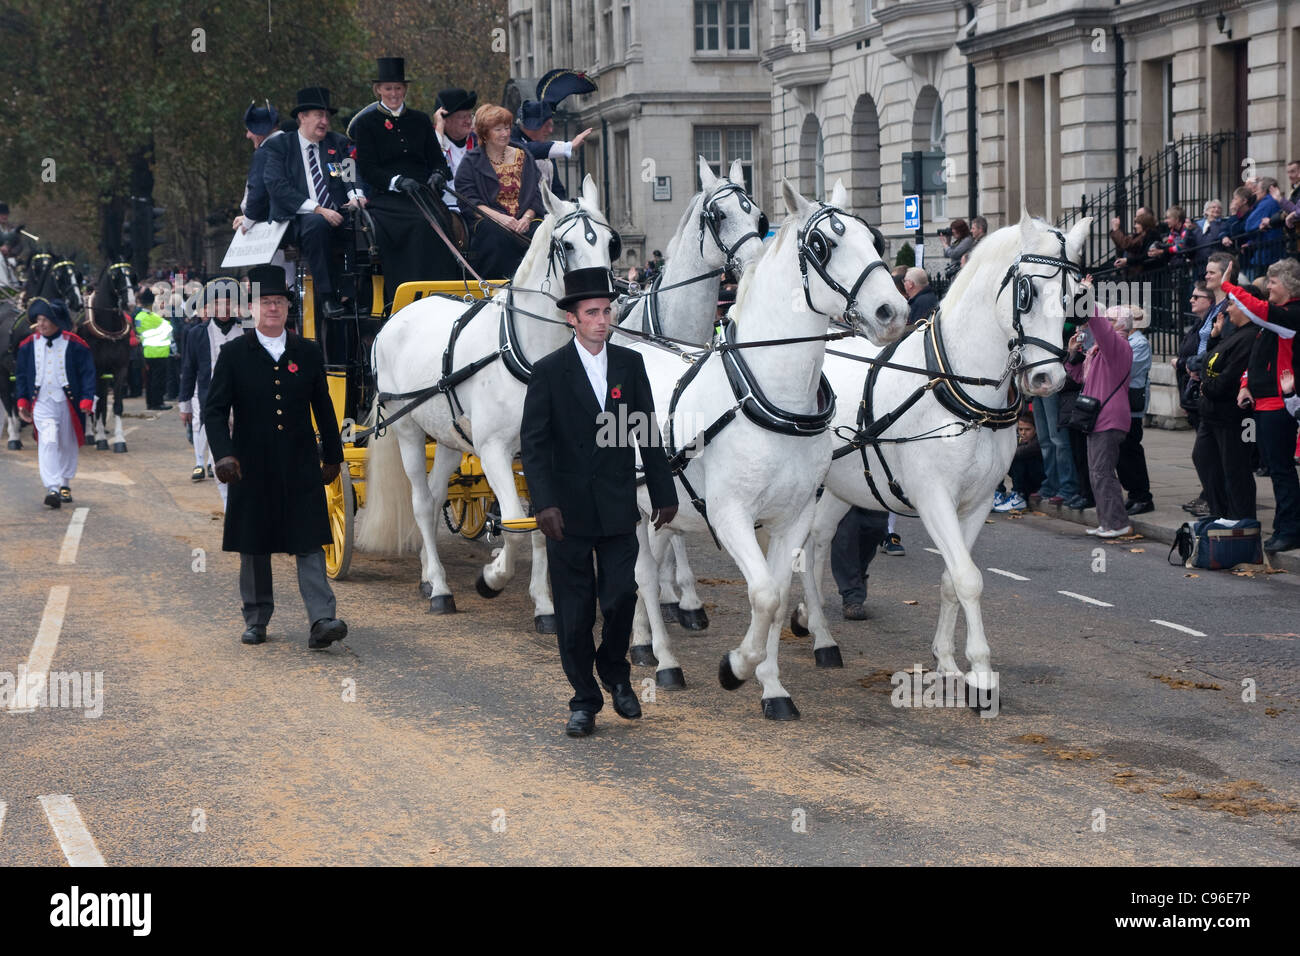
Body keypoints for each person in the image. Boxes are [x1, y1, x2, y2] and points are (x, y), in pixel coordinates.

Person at [519, 266, 678, 738]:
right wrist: (543, 502)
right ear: (572, 318)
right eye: (592, 312)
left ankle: (615, 671)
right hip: (564, 512)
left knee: (620, 597)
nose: (602, 319)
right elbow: (534, 442)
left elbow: (645, 429)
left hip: (615, 505)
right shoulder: (548, 372)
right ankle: (583, 699)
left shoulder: (630, 365)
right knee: (575, 609)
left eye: (607, 311)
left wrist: (663, 489)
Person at [204, 265, 347, 649]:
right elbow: (214, 410)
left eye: (279, 302)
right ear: (253, 308)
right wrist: (223, 455)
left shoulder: (307, 351)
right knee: (254, 542)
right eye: (266, 302)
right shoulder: (234, 354)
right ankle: (256, 617)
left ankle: (322, 618)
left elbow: (324, 407)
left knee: (309, 539)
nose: (273, 309)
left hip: (300, 460)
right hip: (251, 463)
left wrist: (333, 454)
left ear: (288, 308)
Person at [351, 57, 459, 300]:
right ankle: (409, 294)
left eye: (398, 88)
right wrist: (396, 181)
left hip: (423, 193)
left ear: (405, 90)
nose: (393, 93)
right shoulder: (367, 124)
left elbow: (436, 158)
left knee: (442, 220)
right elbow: (368, 168)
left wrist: (439, 174)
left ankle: (445, 292)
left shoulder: (420, 120)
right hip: (389, 198)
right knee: (418, 225)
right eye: (388, 88)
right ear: (378, 89)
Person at [261, 87, 365, 320]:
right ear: (302, 117)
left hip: (337, 213)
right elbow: (277, 187)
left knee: (364, 223)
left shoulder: (337, 143)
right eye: (319, 115)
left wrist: (356, 195)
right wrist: (317, 209)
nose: (325, 121)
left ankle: (354, 294)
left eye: (327, 116)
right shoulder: (280, 146)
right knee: (316, 224)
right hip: (298, 217)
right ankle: (327, 295)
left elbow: (350, 174)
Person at [1222, 259, 1300, 552]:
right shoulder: (1274, 322)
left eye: (1273, 282)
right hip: (1263, 403)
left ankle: (1290, 529)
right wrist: (1245, 384)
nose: (1268, 287)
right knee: (1275, 468)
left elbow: (1255, 308)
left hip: (1279, 405)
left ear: (1290, 285)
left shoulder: (1291, 315)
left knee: (1281, 470)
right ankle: (1286, 526)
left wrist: (1228, 286)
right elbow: (1257, 359)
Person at [1065, 282, 1134, 538]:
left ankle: (1117, 523)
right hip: (1096, 418)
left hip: (1108, 417)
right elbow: (1080, 378)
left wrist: (1086, 296)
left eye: (1110, 319)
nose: (1105, 321)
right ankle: (1107, 522)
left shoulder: (1119, 347)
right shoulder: (1099, 352)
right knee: (1097, 472)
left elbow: (1099, 326)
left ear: (1120, 325)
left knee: (1102, 472)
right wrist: (1073, 355)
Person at [14, 298, 96, 508]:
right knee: (48, 440)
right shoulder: (27, 345)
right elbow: (21, 375)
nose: (41, 324)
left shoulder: (76, 344)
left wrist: (87, 397)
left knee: (67, 443)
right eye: (39, 320)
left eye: (46, 320)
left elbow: (88, 373)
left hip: (68, 402)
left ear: (57, 322)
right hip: (41, 402)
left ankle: (65, 483)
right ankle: (52, 487)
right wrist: (22, 400)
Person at [454, 103, 544, 281]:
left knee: (544, 232)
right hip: (488, 221)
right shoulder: (471, 161)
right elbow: (469, 201)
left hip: (524, 219)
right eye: (498, 129)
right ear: (484, 133)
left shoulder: (523, 155)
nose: (505, 133)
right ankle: (496, 286)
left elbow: (535, 195)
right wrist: (501, 219)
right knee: (496, 234)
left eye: (507, 128)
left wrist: (526, 218)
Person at [179, 277, 244, 506]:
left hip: (245, 408)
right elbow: (189, 369)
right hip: (212, 407)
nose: (224, 308)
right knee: (222, 460)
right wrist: (185, 404)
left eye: (229, 302)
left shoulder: (248, 331)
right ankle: (229, 510)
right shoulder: (197, 334)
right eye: (219, 303)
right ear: (210, 306)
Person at [1190, 297, 1256, 521]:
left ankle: (1241, 521)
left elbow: (1229, 376)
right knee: (1204, 459)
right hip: (1211, 414)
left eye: (1232, 305)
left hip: (1233, 416)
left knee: (1236, 469)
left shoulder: (1250, 336)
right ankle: (1220, 514)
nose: (1227, 310)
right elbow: (1211, 362)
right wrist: (1213, 338)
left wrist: (1206, 387)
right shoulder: (1231, 333)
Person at [1113, 305, 1155, 516]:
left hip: (1131, 405)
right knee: (1122, 453)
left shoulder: (1139, 343)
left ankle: (1143, 496)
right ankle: (1133, 494)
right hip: (1120, 404)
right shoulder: (1124, 340)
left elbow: (1124, 369)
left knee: (1131, 450)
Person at [511, 99, 592, 202]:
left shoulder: (546, 150)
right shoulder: (511, 141)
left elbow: (556, 190)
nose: (550, 130)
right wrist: (568, 146)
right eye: (546, 125)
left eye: (551, 125)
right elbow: (528, 150)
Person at [829, 507, 890, 619]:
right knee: (846, 528)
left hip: (872, 494)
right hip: (843, 495)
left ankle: (857, 575)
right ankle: (852, 596)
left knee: (877, 525)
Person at [234, 100, 281, 226]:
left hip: (274, 225)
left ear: (260, 131)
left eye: (250, 130)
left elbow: (258, 192)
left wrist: (248, 220)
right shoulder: (295, 144)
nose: (248, 135)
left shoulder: (264, 153)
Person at [433, 87, 478, 213]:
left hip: (478, 206)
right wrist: (439, 128)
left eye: (470, 115)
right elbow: (433, 160)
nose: (468, 121)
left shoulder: (478, 143)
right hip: (445, 208)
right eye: (462, 117)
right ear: (445, 120)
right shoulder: (432, 141)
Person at [994, 413, 1044, 513]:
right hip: (1025, 479)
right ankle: (1000, 492)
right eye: (1020, 429)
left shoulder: (1039, 440)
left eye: (1027, 429)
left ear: (1035, 429)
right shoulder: (1019, 439)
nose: (1023, 433)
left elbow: (1020, 452)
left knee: (1015, 456)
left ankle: (1018, 496)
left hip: (1037, 482)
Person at [134, 287, 173, 410]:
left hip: (147, 352)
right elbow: (169, 328)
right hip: (160, 352)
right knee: (159, 380)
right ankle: (158, 402)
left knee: (149, 380)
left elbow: (139, 332)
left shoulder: (139, 317)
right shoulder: (155, 317)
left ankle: (150, 403)